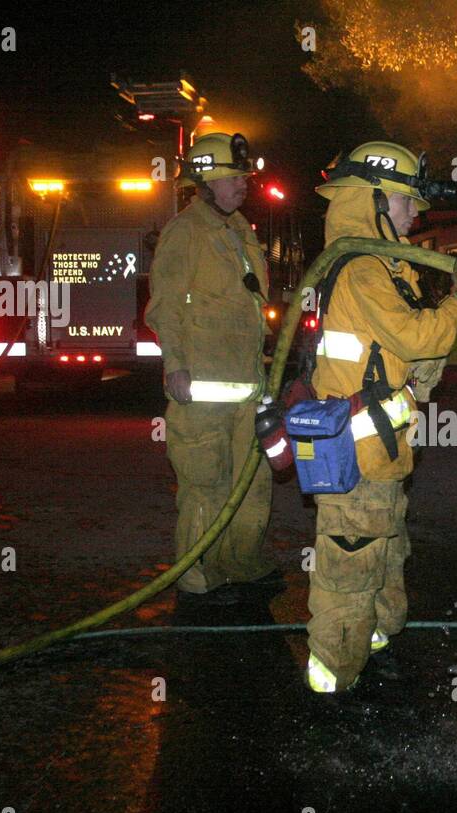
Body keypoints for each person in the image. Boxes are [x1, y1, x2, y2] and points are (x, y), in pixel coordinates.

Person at [303, 141, 457, 693]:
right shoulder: (362, 264)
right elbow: (414, 333)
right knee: (352, 561)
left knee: (383, 547)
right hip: (356, 453)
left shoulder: (380, 261)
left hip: (378, 447)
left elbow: (398, 350)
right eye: (408, 201)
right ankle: (331, 678)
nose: (417, 214)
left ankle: (375, 637)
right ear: (376, 199)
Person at [145, 131, 277, 602]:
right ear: (204, 182)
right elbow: (165, 306)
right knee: (205, 483)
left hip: (246, 387)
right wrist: (175, 365)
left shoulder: (238, 229)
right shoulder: (185, 231)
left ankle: (238, 561)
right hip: (200, 388)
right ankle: (195, 568)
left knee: (251, 481)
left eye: (244, 176)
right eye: (233, 176)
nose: (244, 183)